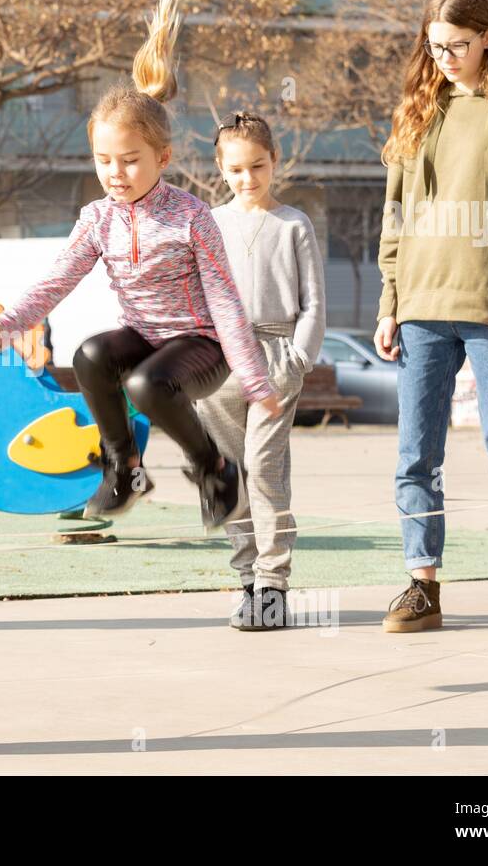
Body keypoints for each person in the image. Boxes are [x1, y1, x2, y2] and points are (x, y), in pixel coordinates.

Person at [0, 0, 281, 530]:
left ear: (163, 157)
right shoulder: (97, 219)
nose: (115, 173)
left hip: (199, 345)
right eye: (103, 160)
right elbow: (55, 283)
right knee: (89, 355)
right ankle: (123, 469)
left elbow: (226, 303)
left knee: (146, 384)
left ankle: (216, 470)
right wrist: (4, 325)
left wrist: (254, 379)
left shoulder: (190, 216)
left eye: (130, 161)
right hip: (144, 337)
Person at [373, 0, 488, 640]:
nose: (444, 56)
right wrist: (389, 301)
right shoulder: (417, 111)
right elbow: (393, 217)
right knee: (415, 453)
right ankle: (424, 586)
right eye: (434, 45)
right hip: (421, 308)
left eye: (457, 44)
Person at [198, 112, 326, 630]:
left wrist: (297, 361)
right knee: (228, 475)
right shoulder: (207, 222)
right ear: (220, 168)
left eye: (257, 166)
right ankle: (246, 579)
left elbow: (314, 303)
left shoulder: (294, 223)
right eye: (235, 169)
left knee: (264, 469)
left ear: (275, 161)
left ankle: (273, 584)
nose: (247, 178)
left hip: (274, 357)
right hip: (218, 363)